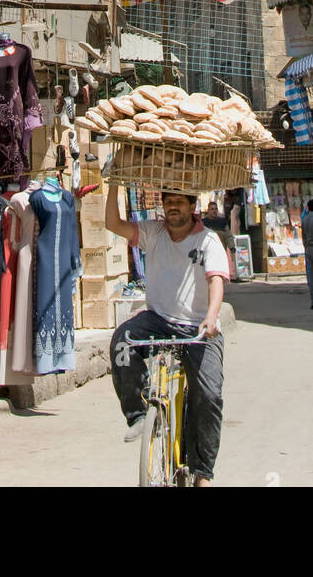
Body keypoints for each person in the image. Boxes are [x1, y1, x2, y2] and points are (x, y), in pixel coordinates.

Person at [105, 184, 228, 487]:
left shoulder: (208, 239)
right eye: (168, 202)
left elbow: (216, 281)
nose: (173, 207)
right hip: (158, 319)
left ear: (191, 205)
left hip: (199, 327)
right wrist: (113, 186)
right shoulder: (153, 232)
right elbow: (112, 224)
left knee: (208, 396)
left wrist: (211, 319)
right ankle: (138, 414)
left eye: (179, 202)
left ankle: (202, 473)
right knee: (122, 341)